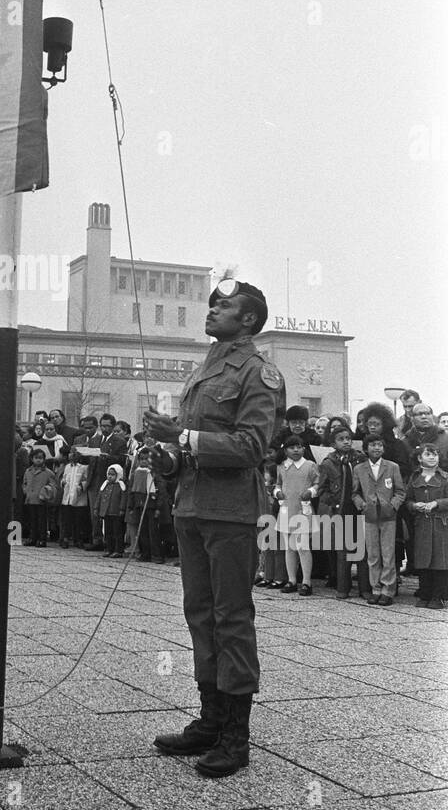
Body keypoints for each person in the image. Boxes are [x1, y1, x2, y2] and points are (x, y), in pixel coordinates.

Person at [145, 277, 281, 779]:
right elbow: (192, 447)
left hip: (231, 511)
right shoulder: (206, 367)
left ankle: (235, 736)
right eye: (213, 303)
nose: (213, 310)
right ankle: (210, 717)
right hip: (193, 506)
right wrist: (168, 454)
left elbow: (251, 447)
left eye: (224, 305)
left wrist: (182, 435)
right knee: (199, 613)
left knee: (231, 616)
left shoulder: (259, 372)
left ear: (248, 319)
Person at [312, 422, 367, 599]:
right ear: (333, 443)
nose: (346, 442)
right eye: (341, 439)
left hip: (358, 508)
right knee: (342, 551)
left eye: (348, 439)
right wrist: (333, 503)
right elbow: (322, 489)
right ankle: (343, 587)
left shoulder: (360, 459)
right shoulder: (328, 463)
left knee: (361, 550)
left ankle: (365, 588)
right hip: (340, 510)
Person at [352, 433, 406, 606]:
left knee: (388, 553)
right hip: (369, 516)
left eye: (380, 445)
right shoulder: (359, 469)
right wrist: (362, 505)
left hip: (388, 516)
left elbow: (400, 491)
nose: (377, 448)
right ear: (366, 448)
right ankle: (375, 588)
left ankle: (388, 589)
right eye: (373, 445)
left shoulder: (392, 467)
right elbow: (355, 493)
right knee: (373, 554)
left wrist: (393, 505)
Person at [275, 435, 318, 596]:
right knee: (290, 547)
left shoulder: (310, 465)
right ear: (285, 450)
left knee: (303, 546)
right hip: (286, 509)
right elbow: (278, 483)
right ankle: (292, 580)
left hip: (302, 510)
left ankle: (306, 581)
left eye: (299, 447)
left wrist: (311, 492)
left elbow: (317, 484)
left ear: (303, 449)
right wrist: (277, 492)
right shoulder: (282, 466)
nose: (296, 450)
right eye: (292, 447)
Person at [405, 445, 448, 609]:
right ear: (419, 458)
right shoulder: (415, 478)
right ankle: (425, 594)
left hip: (440, 524)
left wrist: (437, 503)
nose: (432, 457)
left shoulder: (444, 477)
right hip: (421, 524)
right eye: (428, 454)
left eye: (435, 454)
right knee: (423, 559)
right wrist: (415, 506)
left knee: (440, 560)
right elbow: (407, 500)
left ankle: (439, 596)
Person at [85, 414, 128, 551]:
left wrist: (107, 458)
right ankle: (96, 539)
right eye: (102, 425)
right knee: (94, 512)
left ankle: (109, 542)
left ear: (113, 426)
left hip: (109, 481)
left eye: (108, 426)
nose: (105, 428)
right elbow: (89, 460)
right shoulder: (94, 440)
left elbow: (121, 460)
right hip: (94, 479)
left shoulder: (119, 441)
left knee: (109, 513)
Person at [22, 447, 56, 547]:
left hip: (42, 500)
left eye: (41, 458)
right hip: (30, 499)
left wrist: (47, 492)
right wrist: (26, 491)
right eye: (36, 458)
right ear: (32, 459)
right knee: (32, 520)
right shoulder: (28, 471)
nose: (38, 460)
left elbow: (53, 485)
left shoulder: (48, 472)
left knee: (42, 521)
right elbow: (24, 483)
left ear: (44, 459)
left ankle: (42, 539)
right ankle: (33, 538)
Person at [58, 446, 90, 548]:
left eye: (75, 453)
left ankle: (78, 539)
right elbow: (64, 478)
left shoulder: (84, 467)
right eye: (71, 453)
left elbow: (85, 480)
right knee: (67, 520)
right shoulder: (67, 467)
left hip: (79, 498)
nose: (72, 455)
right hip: (67, 497)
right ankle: (65, 538)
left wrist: (81, 486)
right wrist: (62, 482)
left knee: (78, 520)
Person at [99, 463, 127, 558]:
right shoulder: (105, 485)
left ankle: (118, 550)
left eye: (113, 475)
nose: (110, 477)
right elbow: (100, 497)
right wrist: (97, 508)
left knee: (117, 532)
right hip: (107, 512)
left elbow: (123, 498)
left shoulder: (121, 486)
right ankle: (109, 548)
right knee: (108, 532)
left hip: (116, 513)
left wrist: (122, 509)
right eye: (109, 474)